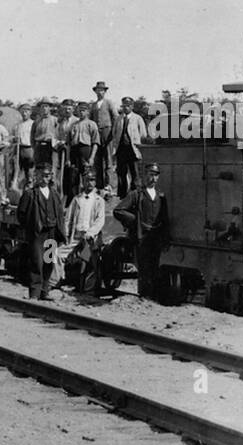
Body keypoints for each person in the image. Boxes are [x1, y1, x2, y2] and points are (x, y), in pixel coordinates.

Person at [114, 163, 169, 299]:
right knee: (143, 268)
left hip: (155, 236)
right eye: (150, 175)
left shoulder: (160, 196)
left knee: (155, 267)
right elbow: (118, 210)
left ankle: (153, 298)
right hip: (142, 236)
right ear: (145, 176)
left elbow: (165, 218)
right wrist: (134, 221)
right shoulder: (137, 195)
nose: (153, 178)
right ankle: (144, 297)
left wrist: (165, 237)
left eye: (156, 175)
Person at [16, 163, 66, 300]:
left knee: (49, 262)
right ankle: (34, 293)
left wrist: (60, 232)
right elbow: (21, 214)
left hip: (51, 233)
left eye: (48, 176)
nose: (45, 179)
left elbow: (60, 214)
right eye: (42, 176)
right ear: (37, 176)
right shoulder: (30, 194)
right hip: (38, 234)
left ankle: (45, 291)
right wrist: (31, 227)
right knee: (37, 262)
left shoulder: (54, 194)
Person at [64, 170, 106, 293]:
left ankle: (87, 289)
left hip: (91, 237)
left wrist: (91, 233)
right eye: (87, 180)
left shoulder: (99, 200)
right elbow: (68, 219)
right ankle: (53, 282)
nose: (89, 183)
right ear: (82, 182)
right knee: (53, 253)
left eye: (92, 180)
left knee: (89, 261)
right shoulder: (77, 199)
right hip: (76, 236)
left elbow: (100, 220)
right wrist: (66, 234)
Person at [112, 96, 148, 197]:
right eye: (124, 106)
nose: (126, 108)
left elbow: (143, 134)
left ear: (132, 106)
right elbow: (115, 134)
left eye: (128, 106)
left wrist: (137, 143)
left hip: (133, 149)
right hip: (121, 149)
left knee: (135, 173)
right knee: (121, 173)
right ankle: (122, 195)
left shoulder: (137, 118)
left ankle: (135, 194)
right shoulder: (118, 119)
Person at [67, 102, 100, 202]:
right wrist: (68, 158)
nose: (81, 112)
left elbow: (95, 143)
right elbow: (68, 143)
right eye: (79, 110)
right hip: (74, 151)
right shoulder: (73, 125)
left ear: (87, 112)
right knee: (73, 177)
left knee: (87, 176)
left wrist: (92, 158)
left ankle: (89, 199)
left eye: (83, 110)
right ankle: (74, 200)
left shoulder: (92, 124)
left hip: (86, 150)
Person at [91, 81, 117, 193]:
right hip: (96, 133)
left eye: (102, 90)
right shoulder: (93, 105)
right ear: (95, 91)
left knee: (108, 159)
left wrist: (113, 133)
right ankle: (99, 184)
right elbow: (91, 121)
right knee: (97, 160)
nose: (100, 92)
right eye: (98, 90)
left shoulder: (109, 103)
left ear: (105, 91)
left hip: (107, 131)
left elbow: (115, 117)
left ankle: (109, 185)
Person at [31, 100, 59, 188]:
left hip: (51, 147)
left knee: (51, 169)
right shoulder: (36, 121)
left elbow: (58, 134)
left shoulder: (55, 120)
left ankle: (52, 189)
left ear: (50, 108)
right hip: (39, 147)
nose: (44, 108)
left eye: (46, 106)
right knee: (39, 168)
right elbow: (32, 136)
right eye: (42, 106)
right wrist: (34, 147)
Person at [14, 103, 35, 189]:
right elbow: (14, 138)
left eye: (26, 111)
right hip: (20, 149)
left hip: (30, 149)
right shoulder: (18, 125)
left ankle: (31, 189)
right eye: (23, 111)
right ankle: (20, 193)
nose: (24, 113)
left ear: (30, 113)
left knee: (30, 172)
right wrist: (15, 139)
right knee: (19, 172)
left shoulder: (33, 124)